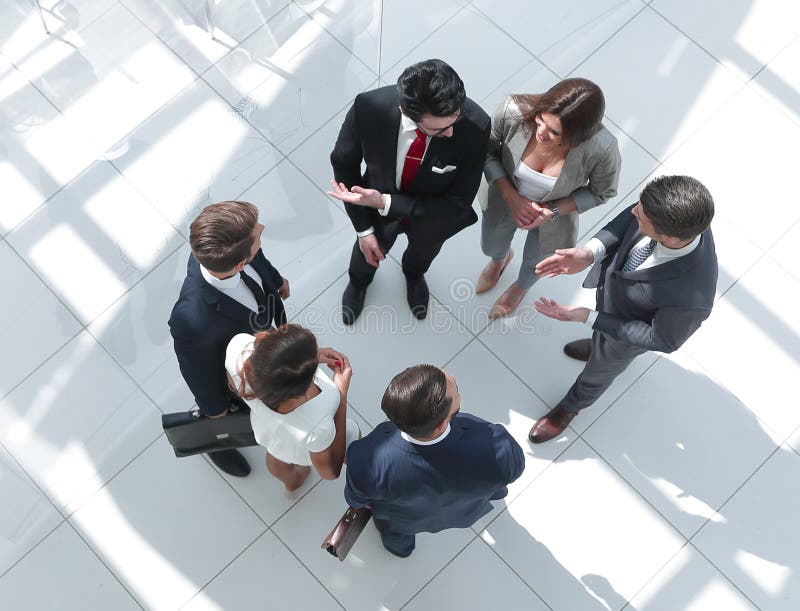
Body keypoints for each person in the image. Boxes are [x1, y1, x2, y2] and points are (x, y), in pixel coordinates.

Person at [528, 175, 718, 443]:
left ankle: (570, 407)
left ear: (670, 238)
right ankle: (597, 343)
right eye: (639, 206)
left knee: (599, 371)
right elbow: (628, 220)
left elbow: (660, 339)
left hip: (625, 336)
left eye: (641, 216)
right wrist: (589, 253)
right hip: (614, 302)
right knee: (600, 342)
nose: (633, 211)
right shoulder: (671, 213)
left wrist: (589, 317)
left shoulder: (692, 297)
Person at [329, 58, 490, 324]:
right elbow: (343, 165)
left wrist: (387, 202)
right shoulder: (369, 107)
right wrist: (364, 230)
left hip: (433, 217)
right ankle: (359, 282)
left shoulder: (476, 125)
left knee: (421, 256)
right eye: (438, 129)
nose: (451, 133)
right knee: (365, 256)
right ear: (405, 110)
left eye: (454, 121)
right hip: (375, 211)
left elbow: (459, 202)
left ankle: (414, 275)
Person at [475, 78, 621, 318]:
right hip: (503, 198)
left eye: (555, 132)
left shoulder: (602, 148)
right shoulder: (513, 110)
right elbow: (486, 150)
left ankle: (520, 288)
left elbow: (601, 191)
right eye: (540, 120)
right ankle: (499, 261)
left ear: (579, 136)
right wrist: (511, 196)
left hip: (556, 216)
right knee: (491, 244)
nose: (541, 133)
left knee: (539, 262)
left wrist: (551, 211)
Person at [344, 365, 524, 557]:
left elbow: (355, 499)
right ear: (441, 425)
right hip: (462, 512)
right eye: (456, 390)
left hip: (404, 519)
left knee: (394, 533)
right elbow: (513, 471)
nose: (454, 378)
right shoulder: (496, 445)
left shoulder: (365, 459)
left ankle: (401, 550)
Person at [169, 200, 289, 477]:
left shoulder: (231, 249)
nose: (262, 229)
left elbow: (258, 261)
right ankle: (217, 446)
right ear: (237, 263)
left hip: (260, 333)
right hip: (235, 368)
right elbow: (196, 369)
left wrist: (276, 279)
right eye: (258, 235)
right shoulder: (192, 321)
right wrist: (216, 411)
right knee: (222, 419)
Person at [225, 325, 359, 491]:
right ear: (300, 389)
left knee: (276, 458)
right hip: (304, 447)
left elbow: (238, 379)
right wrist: (342, 392)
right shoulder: (318, 427)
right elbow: (330, 473)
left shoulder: (238, 348)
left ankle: (293, 483)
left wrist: (304, 360)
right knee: (353, 433)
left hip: (268, 432)